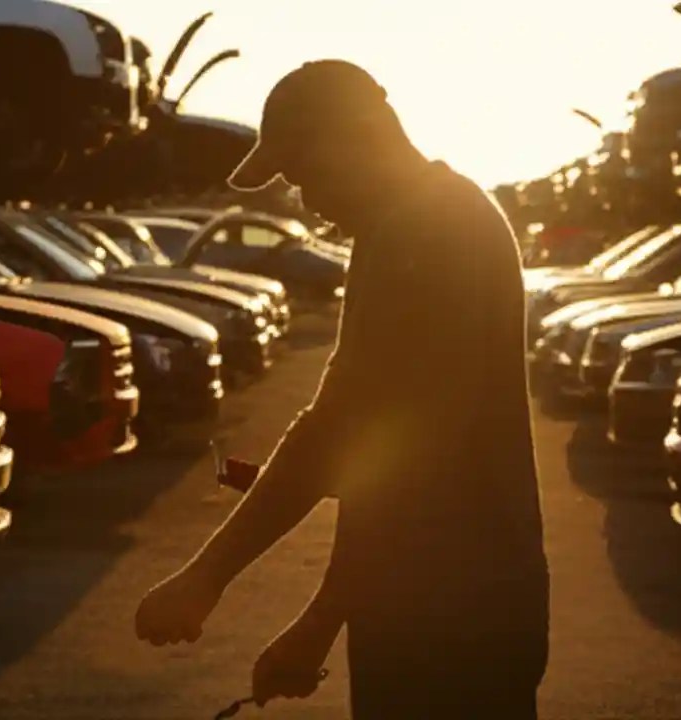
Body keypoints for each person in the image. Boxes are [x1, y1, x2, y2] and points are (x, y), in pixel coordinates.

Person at [135, 59, 550, 719]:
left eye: (305, 174)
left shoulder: (429, 235)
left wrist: (295, 612)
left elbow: (395, 462)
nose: (305, 200)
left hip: (455, 625)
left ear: (350, 140)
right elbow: (353, 431)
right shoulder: (414, 225)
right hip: (447, 612)